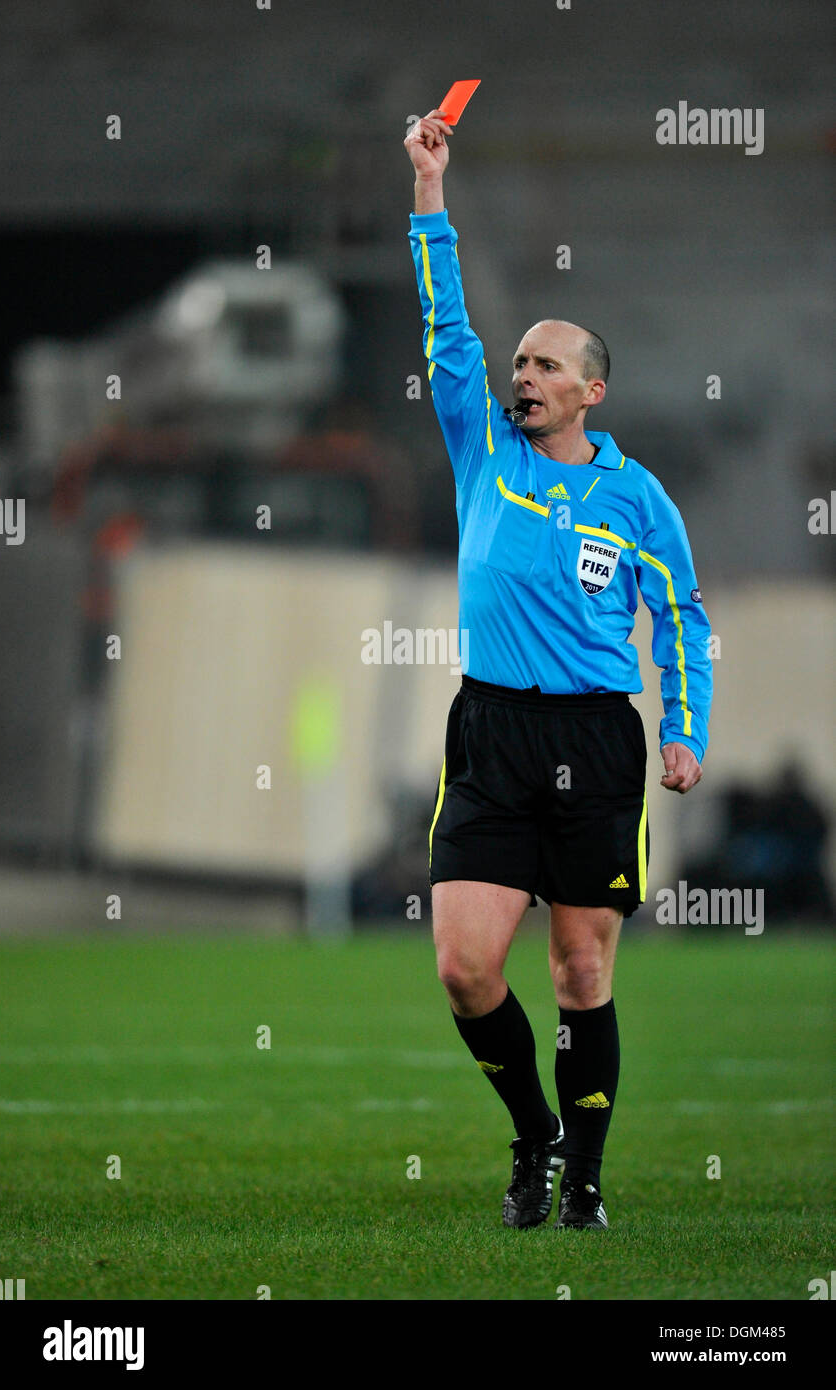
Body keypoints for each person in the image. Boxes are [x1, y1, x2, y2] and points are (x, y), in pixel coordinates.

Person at [404, 109, 713, 1230]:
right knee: (465, 966)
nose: (521, 374)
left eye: (544, 364)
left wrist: (687, 727)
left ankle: (581, 1173)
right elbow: (447, 331)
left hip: (595, 739)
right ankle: (532, 1134)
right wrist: (430, 193)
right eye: (519, 359)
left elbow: (681, 615)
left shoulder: (638, 501)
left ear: (591, 391)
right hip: (490, 733)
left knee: (582, 973)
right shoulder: (480, 445)